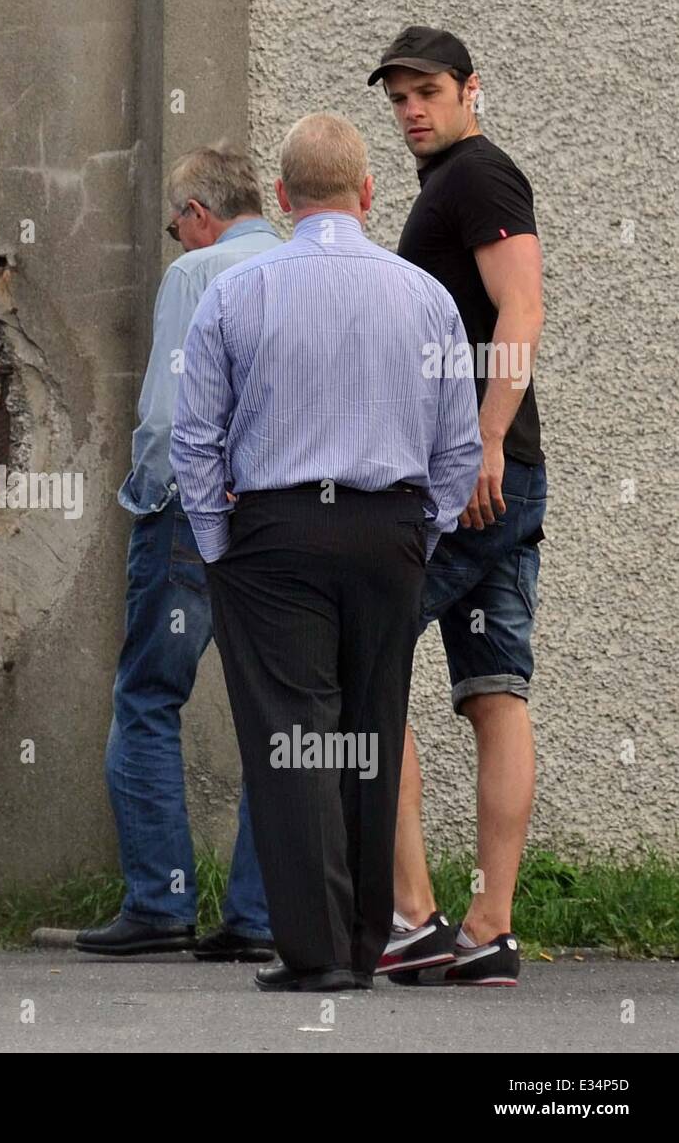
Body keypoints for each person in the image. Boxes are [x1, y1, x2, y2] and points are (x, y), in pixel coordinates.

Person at [171, 114, 481, 991]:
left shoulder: (237, 292)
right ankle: (362, 941)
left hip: (275, 534)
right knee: (370, 733)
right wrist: (423, 533)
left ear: (281, 198)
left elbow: (195, 439)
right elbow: (458, 447)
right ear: (370, 192)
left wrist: (217, 544)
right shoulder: (426, 296)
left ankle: (315, 956)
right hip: (388, 533)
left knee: (294, 738)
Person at [368, 27, 546, 987]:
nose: (411, 112)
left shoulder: (479, 177)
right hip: (498, 476)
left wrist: (481, 438)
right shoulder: (456, 182)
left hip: (471, 478)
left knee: (369, 667)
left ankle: (414, 914)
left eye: (427, 91)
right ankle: (490, 930)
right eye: (397, 99)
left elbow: (523, 308)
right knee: (493, 693)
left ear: (472, 88)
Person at [77, 143, 279, 960]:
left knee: (148, 697)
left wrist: (149, 498)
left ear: (199, 214)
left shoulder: (198, 275)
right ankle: (261, 917)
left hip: (194, 518)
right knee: (276, 716)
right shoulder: (301, 265)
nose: (177, 238)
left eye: (175, 224)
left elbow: (167, 414)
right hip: (283, 522)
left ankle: (160, 904)